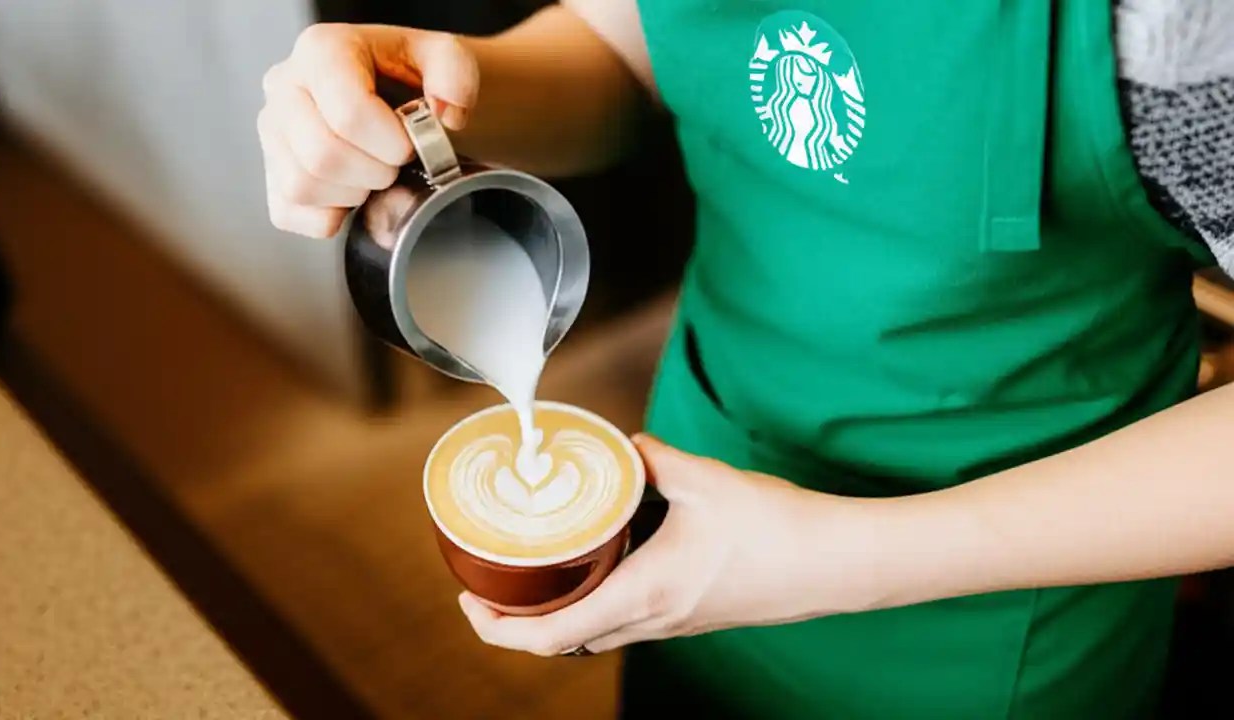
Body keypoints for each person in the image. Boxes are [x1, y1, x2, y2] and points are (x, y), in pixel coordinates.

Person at [256, 1, 1234, 717]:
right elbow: (641, 45)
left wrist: (833, 559)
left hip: (999, 610)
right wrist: (443, 93)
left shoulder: (1185, 33)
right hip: (701, 478)